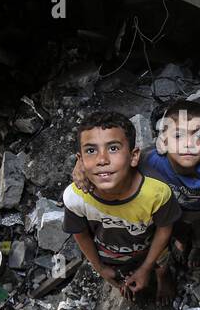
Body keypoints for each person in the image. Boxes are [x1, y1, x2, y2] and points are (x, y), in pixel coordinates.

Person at [62, 111, 180, 299]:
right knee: (120, 274)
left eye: (113, 148)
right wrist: (100, 268)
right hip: (111, 254)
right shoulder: (75, 197)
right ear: (81, 161)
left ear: (134, 156)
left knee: (161, 263)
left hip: (152, 248)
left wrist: (146, 267)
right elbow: (81, 234)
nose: (102, 160)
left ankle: (162, 277)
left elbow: (164, 229)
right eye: (91, 150)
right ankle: (130, 278)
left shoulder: (156, 192)